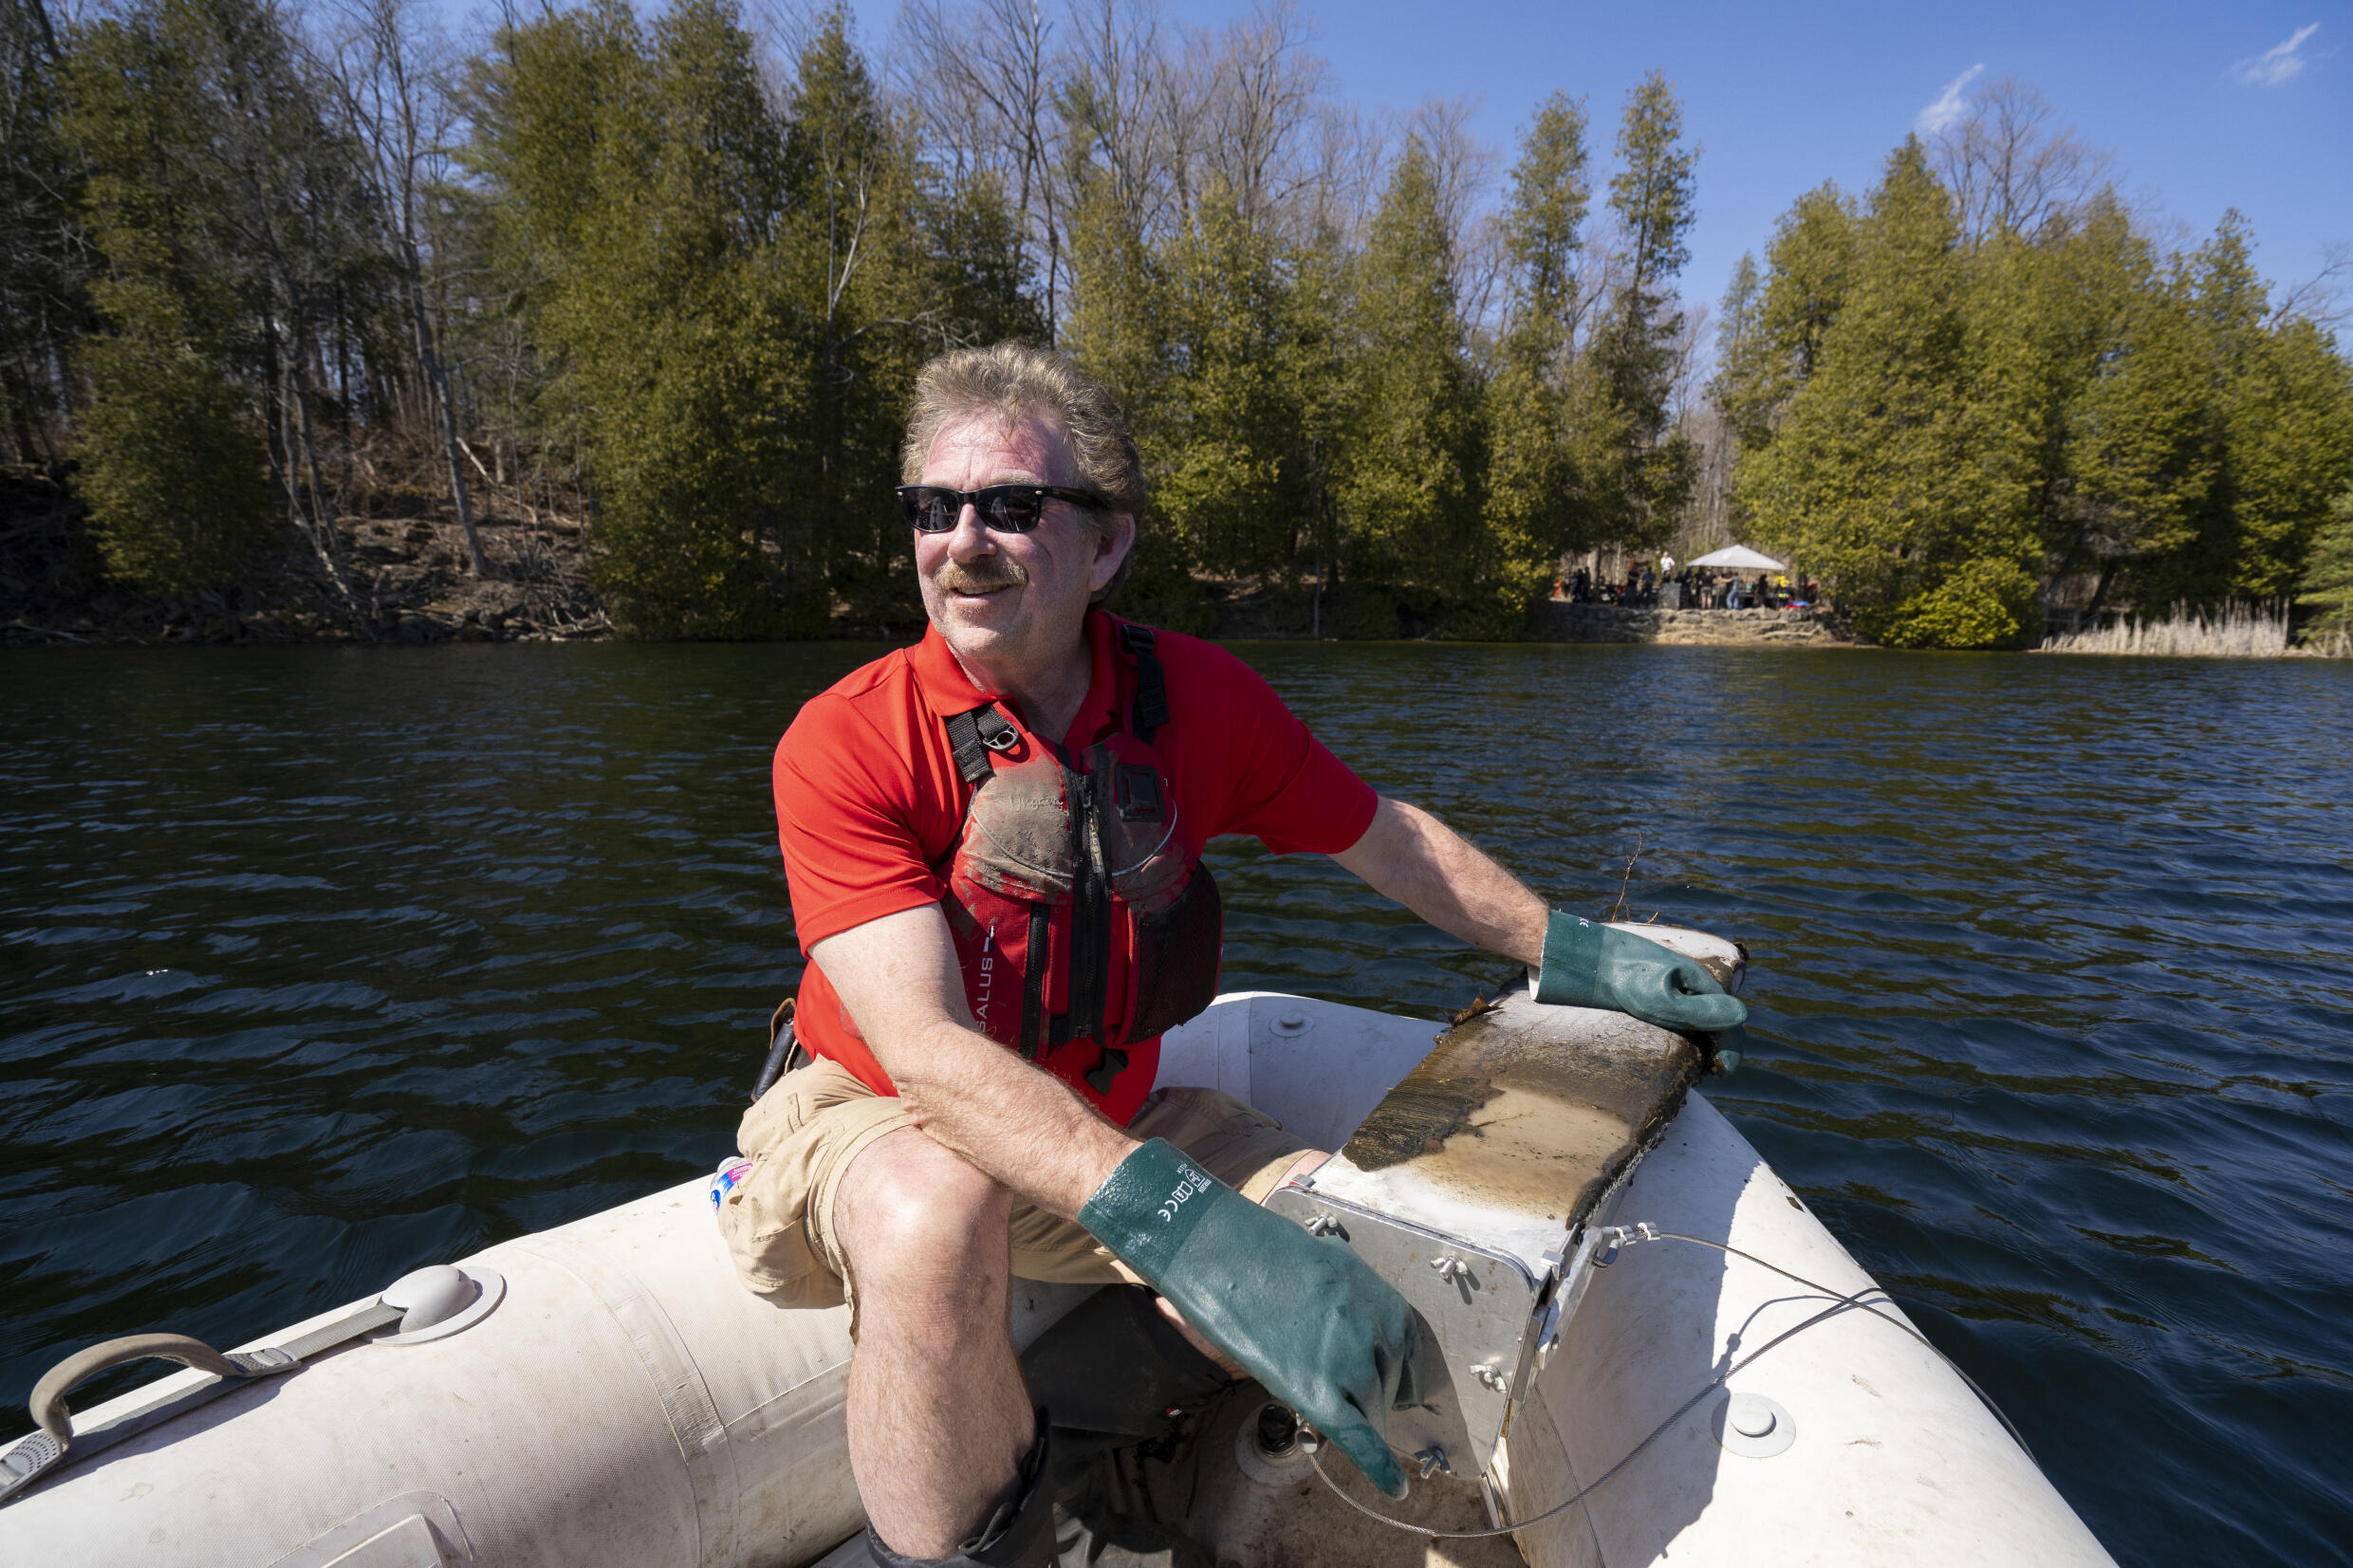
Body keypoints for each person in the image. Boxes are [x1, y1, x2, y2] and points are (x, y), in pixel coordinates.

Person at [717, 343, 1746, 1568]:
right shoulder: (847, 740)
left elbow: (1386, 837)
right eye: (934, 510)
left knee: (1340, 1228)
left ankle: (1067, 1437)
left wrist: (1570, 946)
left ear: (1106, 544)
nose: (964, 541)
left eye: (1010, 505)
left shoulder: (1194, 697)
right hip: (876, 1107)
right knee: (936, 1207)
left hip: (1103, 1110)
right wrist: (1184, 1228)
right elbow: (929, 1057)